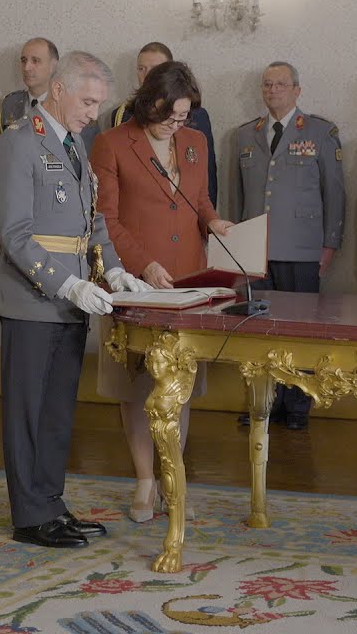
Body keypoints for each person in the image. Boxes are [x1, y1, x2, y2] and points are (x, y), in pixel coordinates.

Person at [0, 49, 149, 548]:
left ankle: (51, 504)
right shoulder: (18, 144)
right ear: (58, 90)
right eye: (87, 100)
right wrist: (69, 284)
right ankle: (29, 515)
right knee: (29, 411)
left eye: (99, 102)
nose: (93, 112)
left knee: (57, 411)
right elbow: (15, 235)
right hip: (33, 299)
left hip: (71, 301)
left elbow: (93, 222)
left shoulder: (77, 144)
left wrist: (116, 272)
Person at [90, 61, 234, 522]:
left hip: (189, 281)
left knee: (180, 386)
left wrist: (215, 223)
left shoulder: (195, 142)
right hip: (136, 283)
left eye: (184, 117)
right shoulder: (111, 143)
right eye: (171, 116)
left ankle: (173, 478)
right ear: (150, 102)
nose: (178, 125)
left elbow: (201, 199)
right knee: (134, 386)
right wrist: (139, 264)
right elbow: (105, 219)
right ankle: (145, 480)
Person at [230, 61, 345, 431]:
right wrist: (234, 245)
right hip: (256, 251)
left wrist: (330, 244)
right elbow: (236, 197)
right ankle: (261, 403)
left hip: (302, 250)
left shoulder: (320, 131)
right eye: (267, 84)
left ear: (297, 90)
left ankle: (296, 407)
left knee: (298, 330)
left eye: (281, 84)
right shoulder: (246, 134)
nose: (273, 90)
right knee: (256, 331)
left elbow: (335, 192)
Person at [87, 42, 219, 206]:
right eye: (141, 68)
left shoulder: (195, 117)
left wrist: (210, 221)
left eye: (155, 69)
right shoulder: (121, 115)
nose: (148, 75)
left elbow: (205, 185)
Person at [0, 37, 59, 139]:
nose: (27, 67)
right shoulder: (10, 103)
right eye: (24, 61)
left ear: (53, 66)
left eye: (35, 61)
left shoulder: (65, 104)